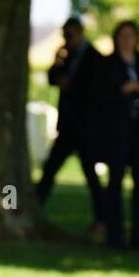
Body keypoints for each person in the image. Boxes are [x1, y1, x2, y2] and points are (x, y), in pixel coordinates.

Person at [90, 19, 139, 251]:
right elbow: (98, 95)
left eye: (131, 36)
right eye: (123, 36)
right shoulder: (106, 64)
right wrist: (121, 91)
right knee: (115, 183)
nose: (127, 40)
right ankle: (115, 236)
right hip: (117, 130)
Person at [35, 16, 101, 224]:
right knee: (49, 170)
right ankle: (35, 208)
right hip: (67, 125)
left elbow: (94, 91)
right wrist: (57, 62)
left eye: (69, 35)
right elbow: (53, 79)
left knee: (91, 176)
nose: (66, 39)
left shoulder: (93, 57)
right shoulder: (67, 57)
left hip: (84, 127)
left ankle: (102, 219)